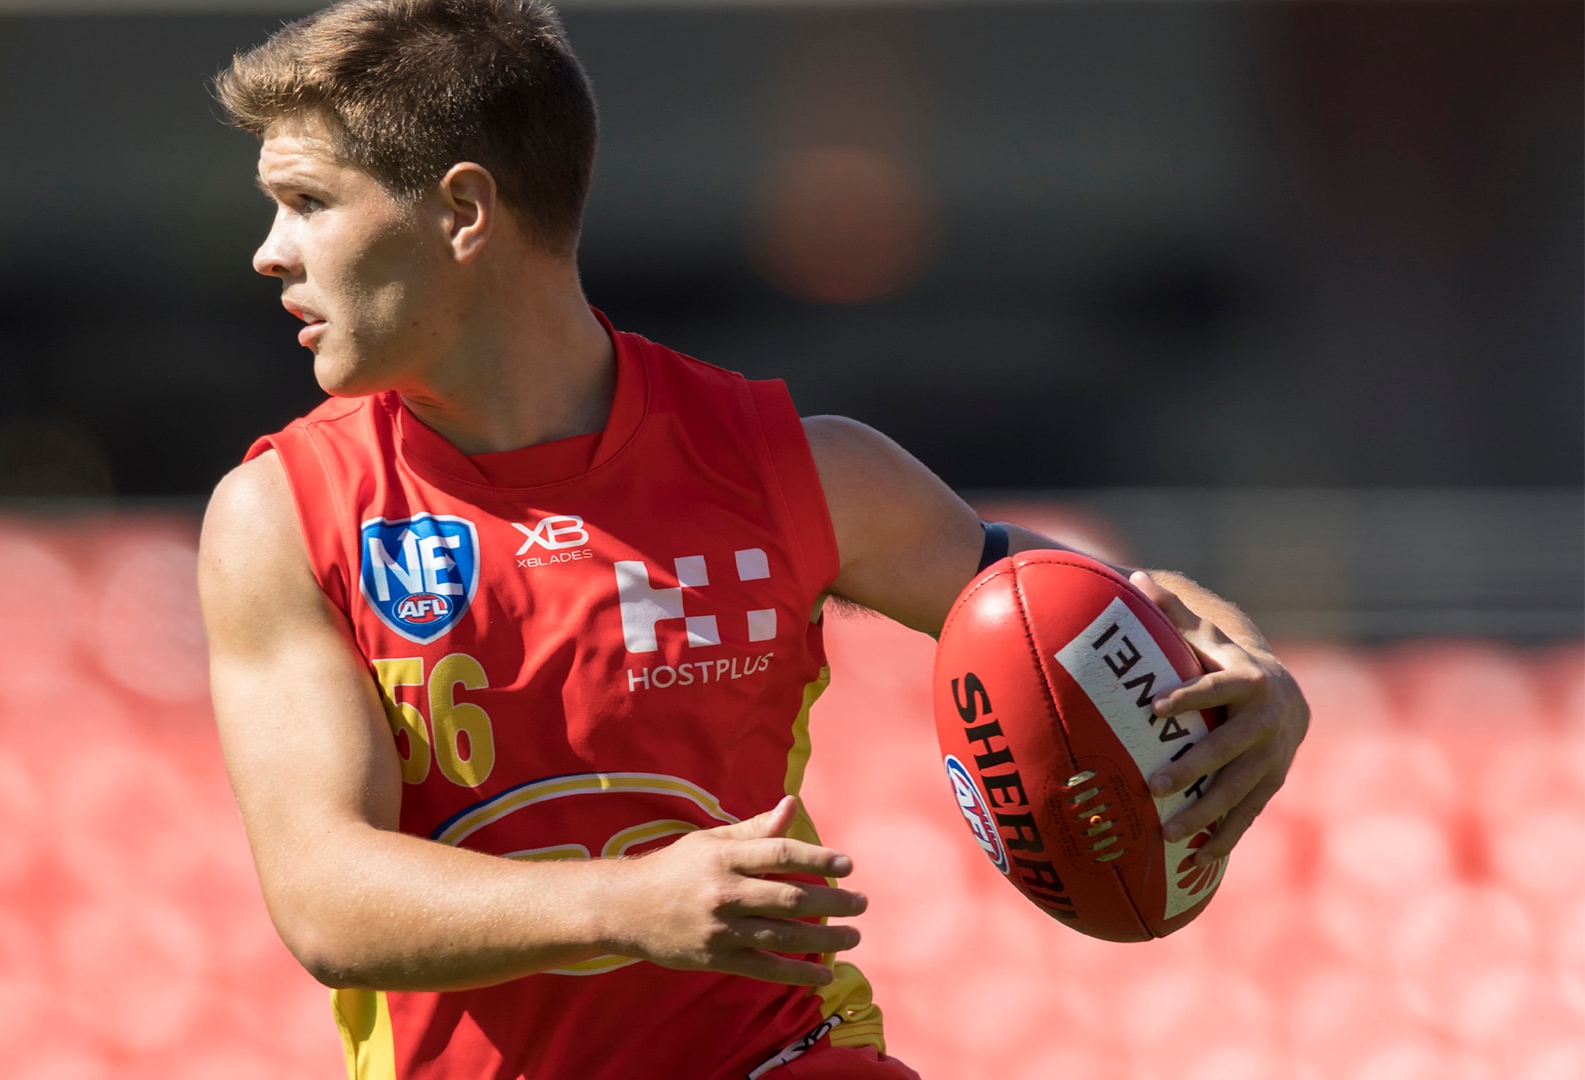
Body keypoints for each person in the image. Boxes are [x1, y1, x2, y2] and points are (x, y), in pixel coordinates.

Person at [196, 1, 1309, 1077]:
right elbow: (323, 895)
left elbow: (1072, 615)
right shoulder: (284, 514)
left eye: (306, 201)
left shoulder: (800, 470)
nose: (268, 254)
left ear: (464, 211)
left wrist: (1246, 686)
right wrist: (630, 905)